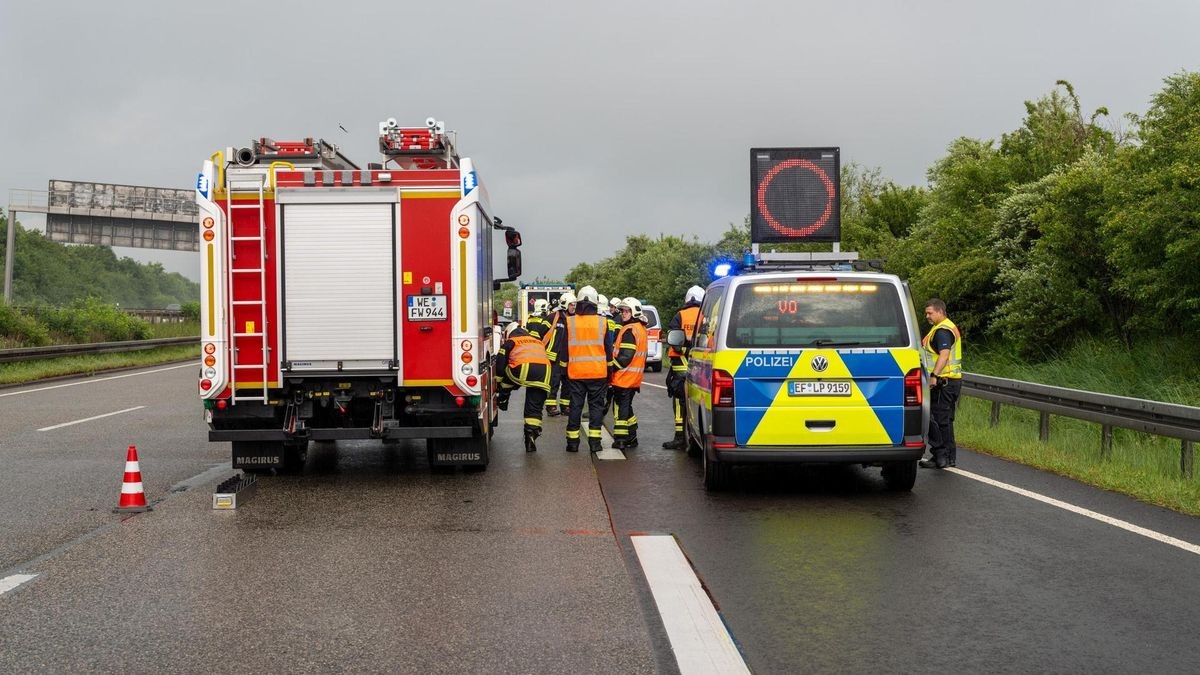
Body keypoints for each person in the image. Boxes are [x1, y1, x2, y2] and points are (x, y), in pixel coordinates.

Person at [560, 286, 614, 453]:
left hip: (575, 373)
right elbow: (608, 351)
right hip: (598, 373)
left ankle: (573, 443)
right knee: (596, 407)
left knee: (575, 406)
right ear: (595, 303)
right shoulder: (602, 322)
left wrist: (563, 373)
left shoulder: (570, 322)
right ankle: (595, 443)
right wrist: (610, 373)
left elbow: (564, 351)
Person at [919, 298, 963, 469]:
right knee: (944, 420)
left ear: (940, 311)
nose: (927, 316)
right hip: (948, 381)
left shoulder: (943, 331)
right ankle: (944, 456)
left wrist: (934, 375)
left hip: (943, 382)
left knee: (938, 420)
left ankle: (943, 456)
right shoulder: (940, 328)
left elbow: (944, 355)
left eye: (930, 313)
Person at [495, 322, 552, 452]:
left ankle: (503, 400)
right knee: (534, 407)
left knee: (507, 376)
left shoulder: (512, 341)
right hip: (544, 374)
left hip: (522, 370)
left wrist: (499, 383)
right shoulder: (537, 341)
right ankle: (531, 433)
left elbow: (500, 362)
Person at [662, 285, 704, 449]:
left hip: (681, 365)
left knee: (680, 401)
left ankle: (680, 437)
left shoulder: (680, 315)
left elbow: (674, 338)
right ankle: (696, 434)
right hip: (703, 364)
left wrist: (685, 351)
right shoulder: (706, 314)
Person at [609, 297, 648, 449]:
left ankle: (621, 439)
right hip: (632, 378)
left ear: (635, 312)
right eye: (623, 311)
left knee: (620, 408)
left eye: (627, 311)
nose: (623, 314)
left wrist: (611, 368)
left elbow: (625, 356)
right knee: (626, 407)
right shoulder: (639, 328)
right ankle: (632, 436)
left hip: (624, 377)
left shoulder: (630, 330)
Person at [543, 292, 575, 416]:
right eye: (572, 304)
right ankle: (551, 407)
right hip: (554, 356)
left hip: (569, 357)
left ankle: (565, 406)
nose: (574, 307)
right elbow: (541, 332)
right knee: (554, 382)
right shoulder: (553, 318)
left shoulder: (574, 319)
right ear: (565, 304)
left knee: (567, 382)